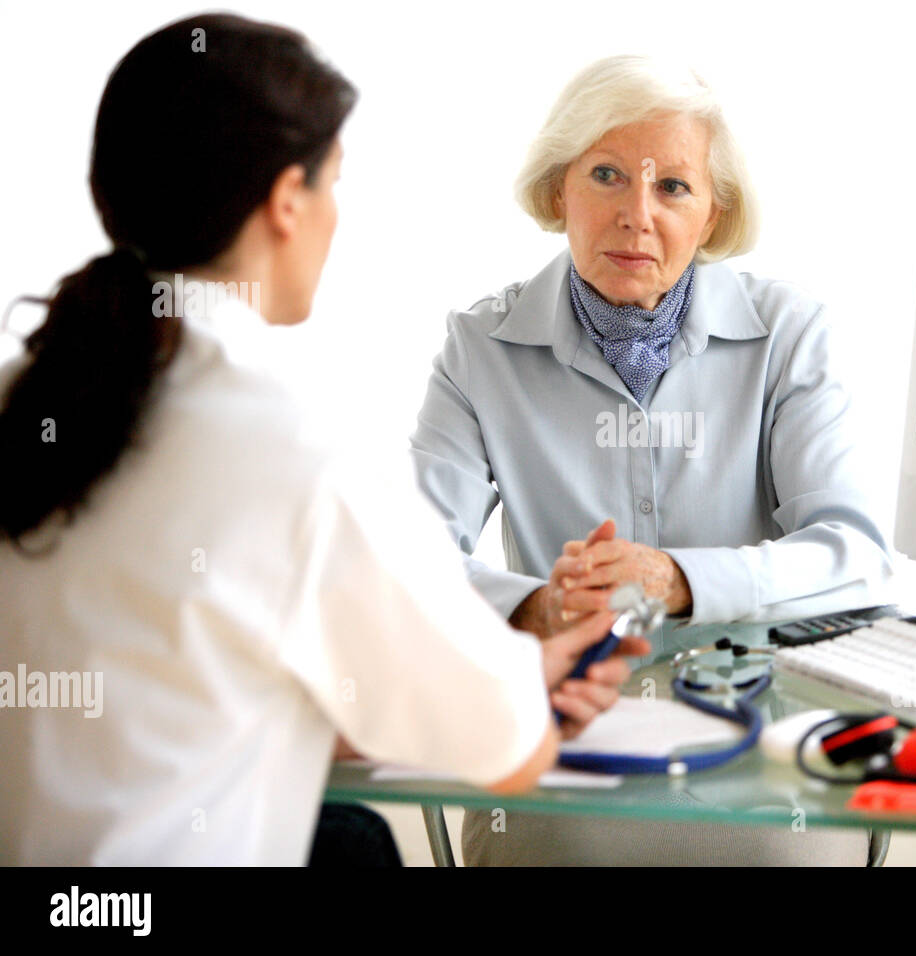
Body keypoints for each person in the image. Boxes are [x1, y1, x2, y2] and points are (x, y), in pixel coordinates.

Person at [0, 14, 642, 866]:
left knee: (347, 840)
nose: (337, 217)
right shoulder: (299, 440)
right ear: (285, 201)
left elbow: (183, 696)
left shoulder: (28, 391)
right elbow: (511, 753)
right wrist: (526, 692)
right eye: (333, 182)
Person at [411, 55, 893, 865]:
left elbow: (856, 555)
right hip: (563, 766)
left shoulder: (791, 335)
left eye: (671, 186)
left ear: (711, 214)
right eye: (607, 175)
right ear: (558, 190)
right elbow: (406, 560)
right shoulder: (478, 348)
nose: (638, 215)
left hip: (769, 775)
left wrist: (678, 581)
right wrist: (538, 610)